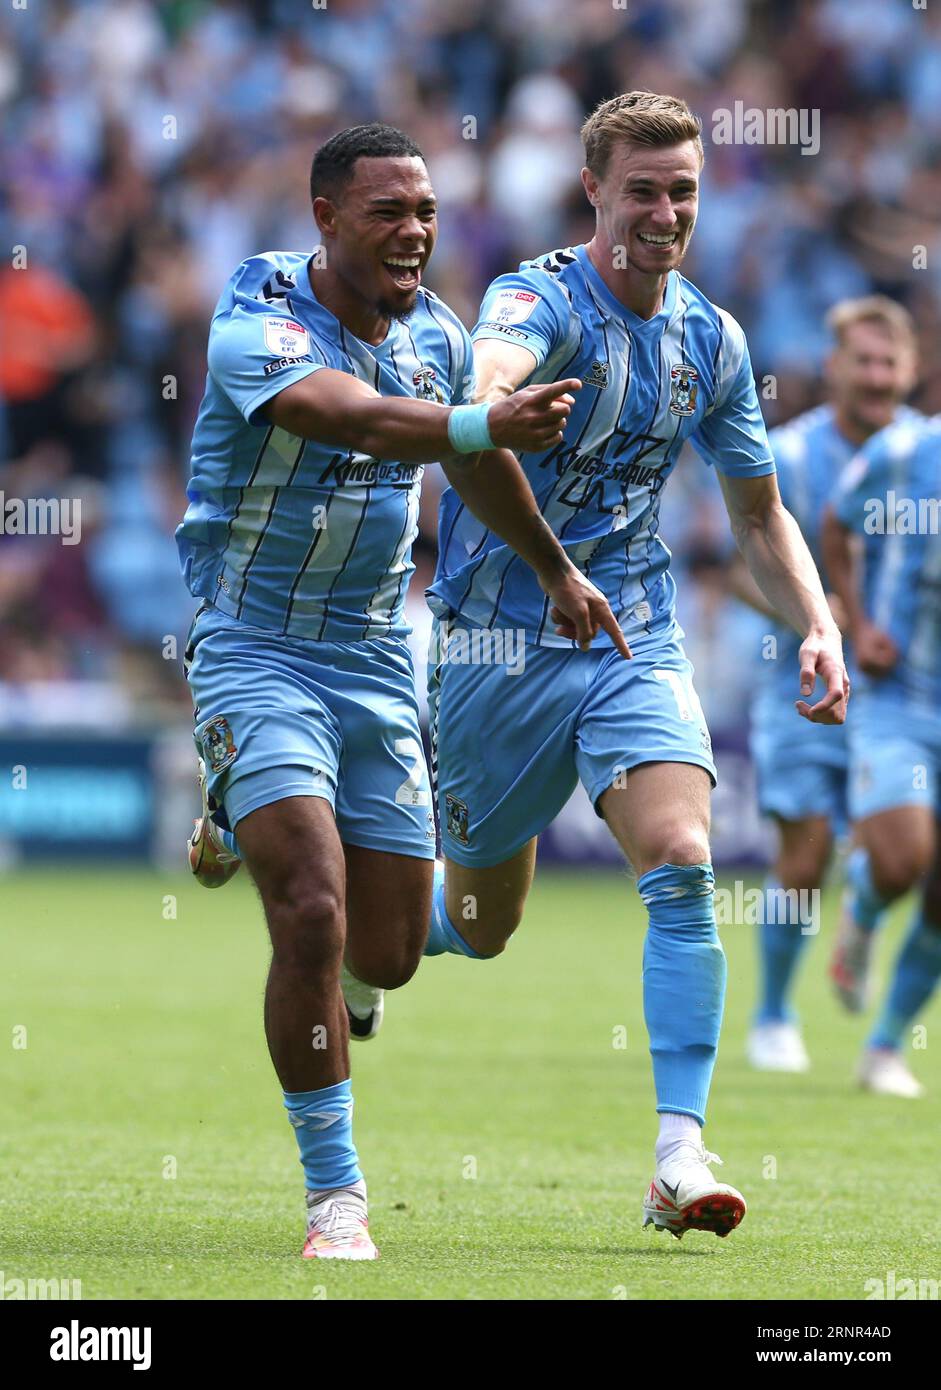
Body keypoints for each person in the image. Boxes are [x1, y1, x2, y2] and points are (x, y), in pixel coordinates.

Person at [177, 123, 622, 1260]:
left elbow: (471, 458)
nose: (414, 232)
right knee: (311, 910)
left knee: (384, 954)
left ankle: (237, 813)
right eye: (387, 211)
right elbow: (346, 417)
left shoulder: (436, 334)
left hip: (375, 654)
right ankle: (337, 1196)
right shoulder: (255, 308)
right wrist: (474, 422)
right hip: (254, 642)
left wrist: (552, 568)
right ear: (325, 216)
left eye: (423, 212)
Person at [418, 91, 849, 1240]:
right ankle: (356, 944)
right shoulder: (534, 297)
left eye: (683, 191)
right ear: (593, 193)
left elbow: (759, 519)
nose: (664, 212)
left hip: (630, 633)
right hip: (494, 642)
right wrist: (503, 421)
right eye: (642, 190)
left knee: (681, 854)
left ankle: (676, 1152)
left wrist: (815, 620)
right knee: (474, 922)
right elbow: (475, 406)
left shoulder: (711, 338)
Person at [729, 297, 919, 1072]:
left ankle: (864, 915)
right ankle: (773, 1014)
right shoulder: (787, 455)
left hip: (904, 690)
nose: (875, 377)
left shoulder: (922, 453)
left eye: (888, 363)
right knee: (803, 859)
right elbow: (740, 565)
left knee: (903, 854)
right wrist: (815, 614)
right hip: (800, 685)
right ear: (833, 368)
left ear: (909, 372)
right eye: (861, 361)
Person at [822, 414, 941, 1098]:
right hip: (899, 694)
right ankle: (864, 904)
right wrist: (858, 623)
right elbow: (835, 522)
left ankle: (883, 1046)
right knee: (903, 859)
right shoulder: (905, 452)